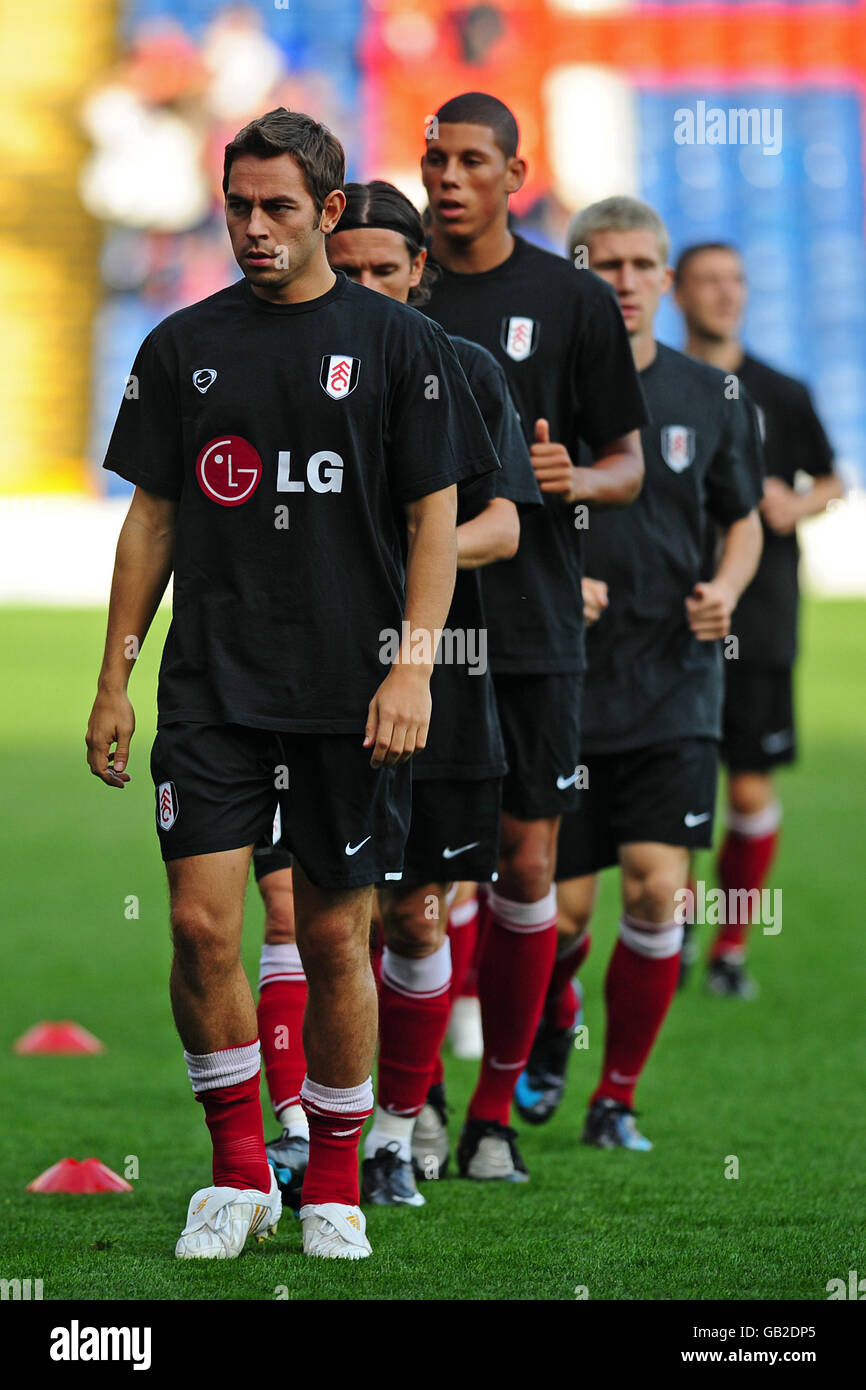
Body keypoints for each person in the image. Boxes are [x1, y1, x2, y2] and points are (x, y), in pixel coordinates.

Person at [85, 108, 499, 1261]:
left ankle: (331, 1184)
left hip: (348, 691)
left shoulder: (398, 346)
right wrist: (114, 677)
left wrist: (409, 669)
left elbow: (434, 521)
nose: (253, 228)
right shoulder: (179, 345)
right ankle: (232, 1177)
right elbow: (153, 517)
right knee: (201, 927)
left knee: (332, 937)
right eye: (237, 206)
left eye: (276, 208)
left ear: (326, 210)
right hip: (212, 686)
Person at [253, 178, 541, 1209]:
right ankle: (291, 1131)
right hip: (303, 681)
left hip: (439, 680)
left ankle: (389, 1131)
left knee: (415, 919)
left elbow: (504, 524)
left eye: (387, 267)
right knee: (298, 910)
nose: (368, 283)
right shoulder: (280, 358)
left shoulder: (460, 370)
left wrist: (395, 559)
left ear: (420, 272)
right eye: (355, 266)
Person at [420, 92, 646, 1180]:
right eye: (435, 158)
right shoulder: (382, 283)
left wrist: (574, 479)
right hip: (403, 627)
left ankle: (491, 1114)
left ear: (515, 173)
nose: (448, 177)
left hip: (530, 625)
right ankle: (396, 1107)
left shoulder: (568, 300)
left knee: (525, 862)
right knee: (406, 878)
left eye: (472, 160)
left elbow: (626, 460)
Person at [517, 197, 763, 1147]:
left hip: (675, 683)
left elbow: (738, 516)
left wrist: (728, 588)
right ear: (580, 274)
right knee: (563, 911)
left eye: (639, 265)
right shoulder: (543, 386)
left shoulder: (712, 396)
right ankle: (549, 1018)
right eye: (603, 265)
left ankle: (615, 1096)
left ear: (665, 278)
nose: (623, 282)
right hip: (565, 683)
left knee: (658, 888)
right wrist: (553, 582)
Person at [674, 242, 843, 996]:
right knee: (672, 788)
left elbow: (833, 475)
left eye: (735, 280)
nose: (724, 293)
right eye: (708, 280)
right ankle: (668, 931)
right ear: (678, 292)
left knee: (745, 790)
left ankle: (731, 945)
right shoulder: (653, 387)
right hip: (668, 612)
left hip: (763, 610)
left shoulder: (782, 389)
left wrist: (799, 500)